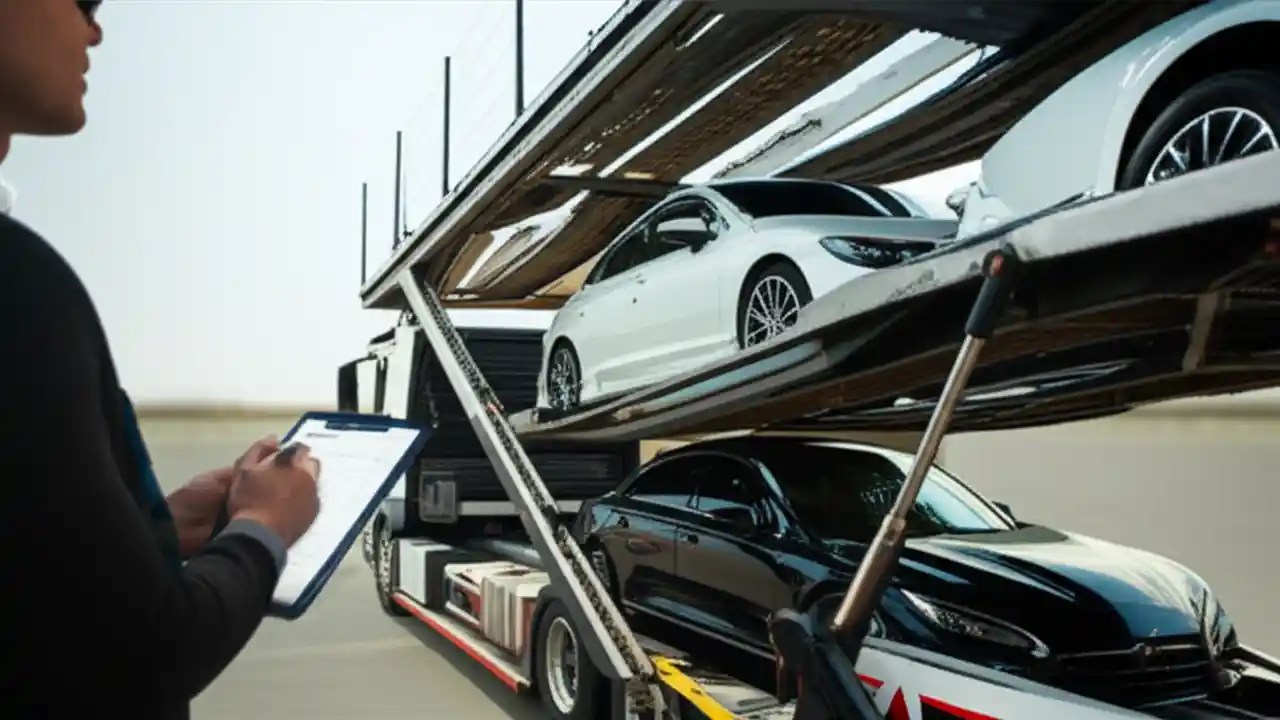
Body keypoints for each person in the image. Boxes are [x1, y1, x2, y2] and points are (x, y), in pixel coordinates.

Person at [0, 1, 323, 717]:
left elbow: (31, 578)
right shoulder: (17, 284)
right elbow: (147, 653)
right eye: (84, 0)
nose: (95, 28)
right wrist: (265, 526)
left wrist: (151, 528)